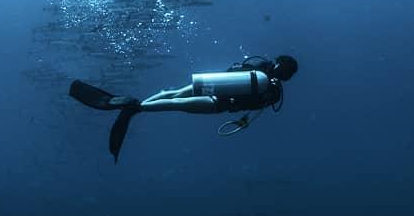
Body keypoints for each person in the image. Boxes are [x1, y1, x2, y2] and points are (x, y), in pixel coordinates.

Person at [69, 55, 299, 163]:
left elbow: (234, 69)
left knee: (174, 94)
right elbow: (254, 110)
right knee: (176, 104)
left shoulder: (260, 65)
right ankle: (136, 107)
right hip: (220, 104)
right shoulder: (274, 92)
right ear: (287, 76)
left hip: (213, 84)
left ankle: (137, 105)